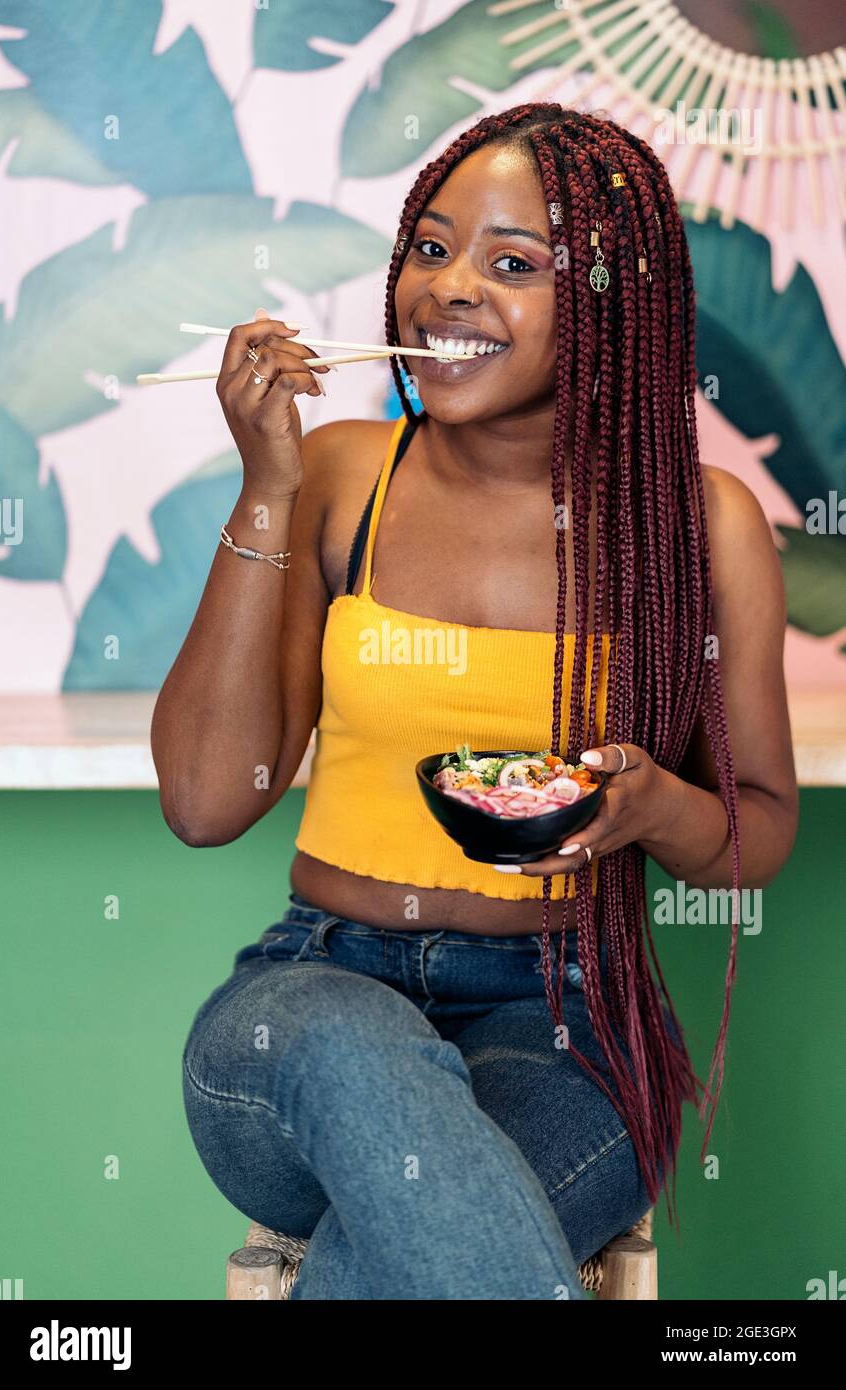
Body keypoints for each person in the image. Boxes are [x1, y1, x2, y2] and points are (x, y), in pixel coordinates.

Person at [151, 104, 798, 1300]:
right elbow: (201, 800)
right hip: (305, 1005)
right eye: (432, 248)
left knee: (406, 1245)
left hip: (565, 1025)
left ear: (610, 303)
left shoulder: (700, 525)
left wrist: (653, 806)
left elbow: (753, 830)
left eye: (511, 264)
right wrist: (265, 490)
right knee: (356, 1045)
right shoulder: (343, 474)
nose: (447, 290)